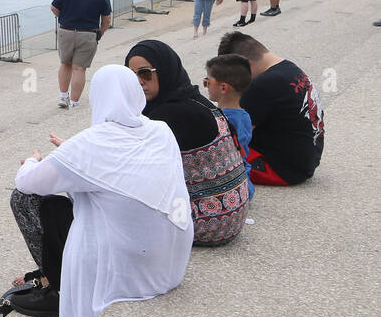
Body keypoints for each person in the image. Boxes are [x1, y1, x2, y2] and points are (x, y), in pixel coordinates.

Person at [7, 65, 192, 317]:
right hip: (170, 265)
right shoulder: (161, 130)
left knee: (23, 199)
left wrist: (32, 162)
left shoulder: (91, 143)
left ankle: (59, 288)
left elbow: (28, 183)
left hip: (132, 273)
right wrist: (70, 153)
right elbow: (125, 171)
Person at [124, 40, 249, 246]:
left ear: (164, 71)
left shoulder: (169, 114)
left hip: (209, 221)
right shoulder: (193, 98)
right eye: (130, 76)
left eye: (145, 74)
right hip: (232, 211)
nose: (139, 82)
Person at [216, 31, 324, 185]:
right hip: (307, 158)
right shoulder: (289, 68)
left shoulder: (263, 84)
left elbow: (230, 134)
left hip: (282, 169)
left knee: (209, 157)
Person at [51, 0, 112, 109]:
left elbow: (53, 7)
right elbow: (107, 19)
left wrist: (64, 18)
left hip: (66, 30)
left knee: (65, 63)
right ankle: (74, 102)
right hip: (88, 34)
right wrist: (100, 33)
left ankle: (63, 96)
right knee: (79, 68)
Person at [204, 54, 255, 200]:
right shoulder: (244, 116)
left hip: (230, 187)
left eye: (207, 82)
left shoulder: (221, 121)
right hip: (245, 181)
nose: (206, 86)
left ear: (223, 87)